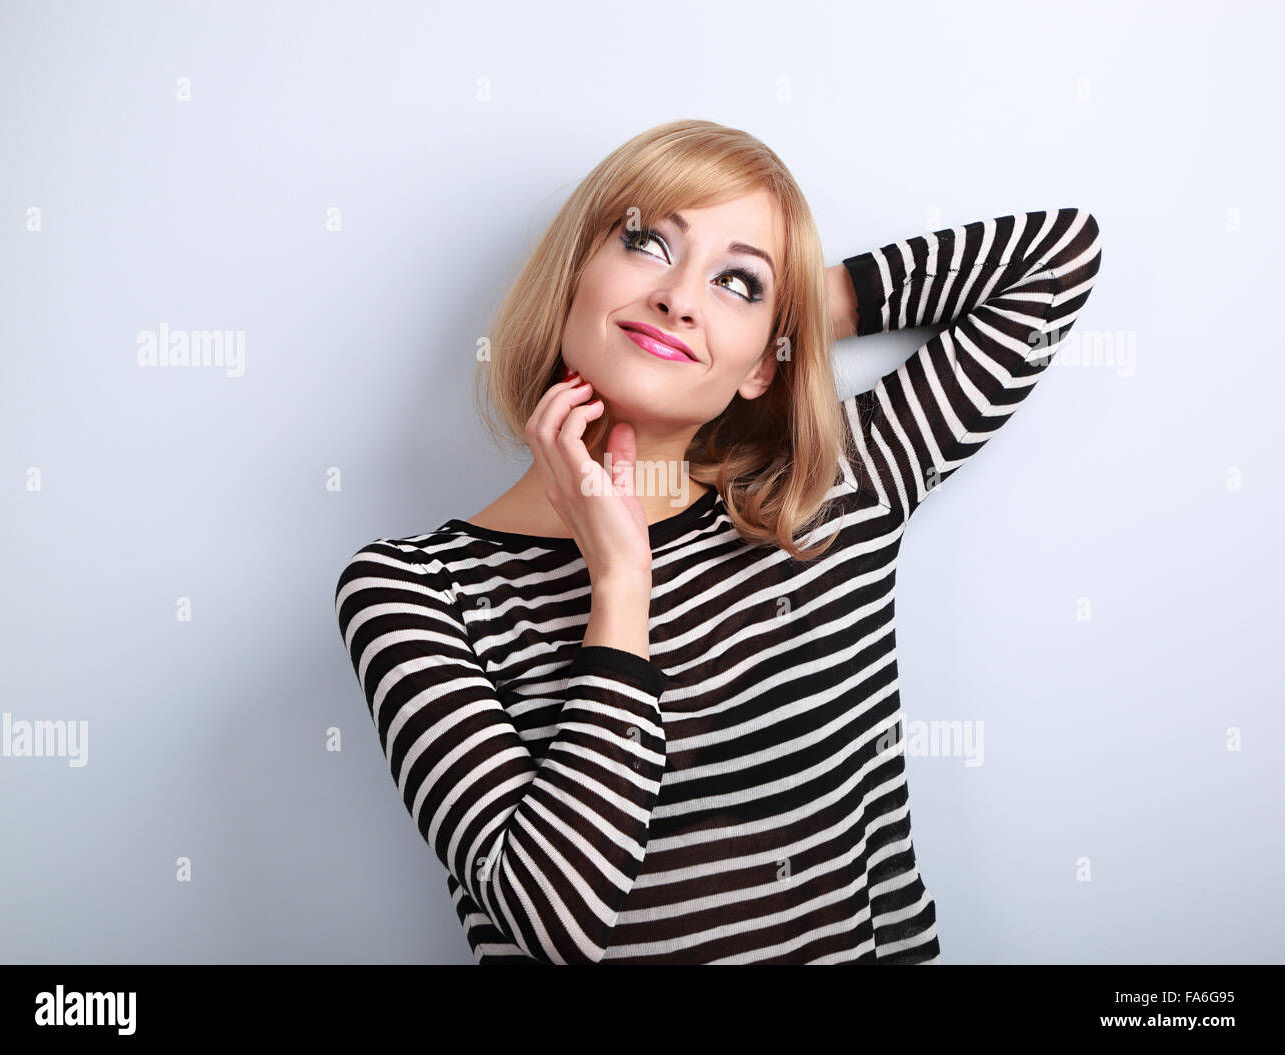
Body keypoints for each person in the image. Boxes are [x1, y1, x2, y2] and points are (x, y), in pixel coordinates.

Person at [333, 118, 1103, 964]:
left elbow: (1059, 256)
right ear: (571, 277)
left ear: (763, 365)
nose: (681, 298)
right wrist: (620, 583)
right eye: (646, 242)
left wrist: (789, 324)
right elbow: (557, 924)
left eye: (736, 281)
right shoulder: (410, 590)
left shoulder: (826, 491)